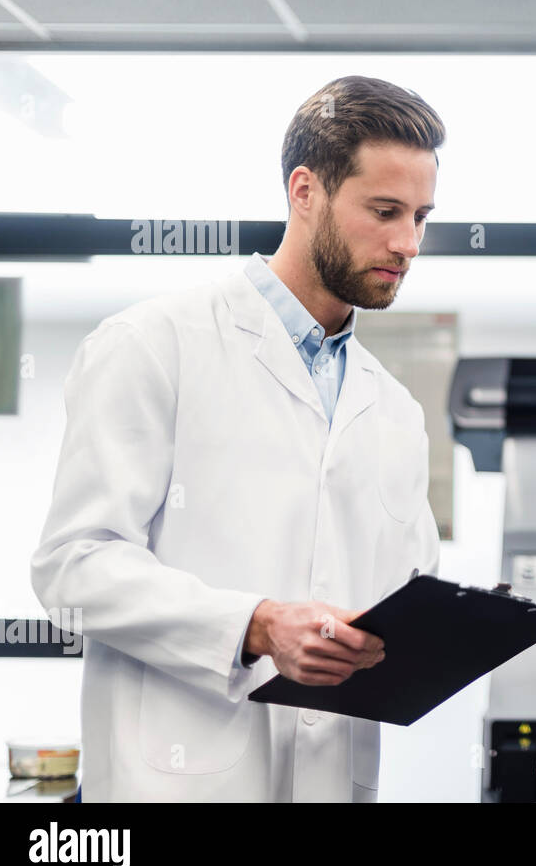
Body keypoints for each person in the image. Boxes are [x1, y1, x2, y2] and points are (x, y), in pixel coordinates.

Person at [31, 75, 443, 801]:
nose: (406, 243)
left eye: (420, 216)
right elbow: (72, 567)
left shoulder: (396, 412)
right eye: (384, 211)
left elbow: (405, 596)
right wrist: (255, 624)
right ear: (305, 190)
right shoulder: (153, 345)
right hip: (176, 782)